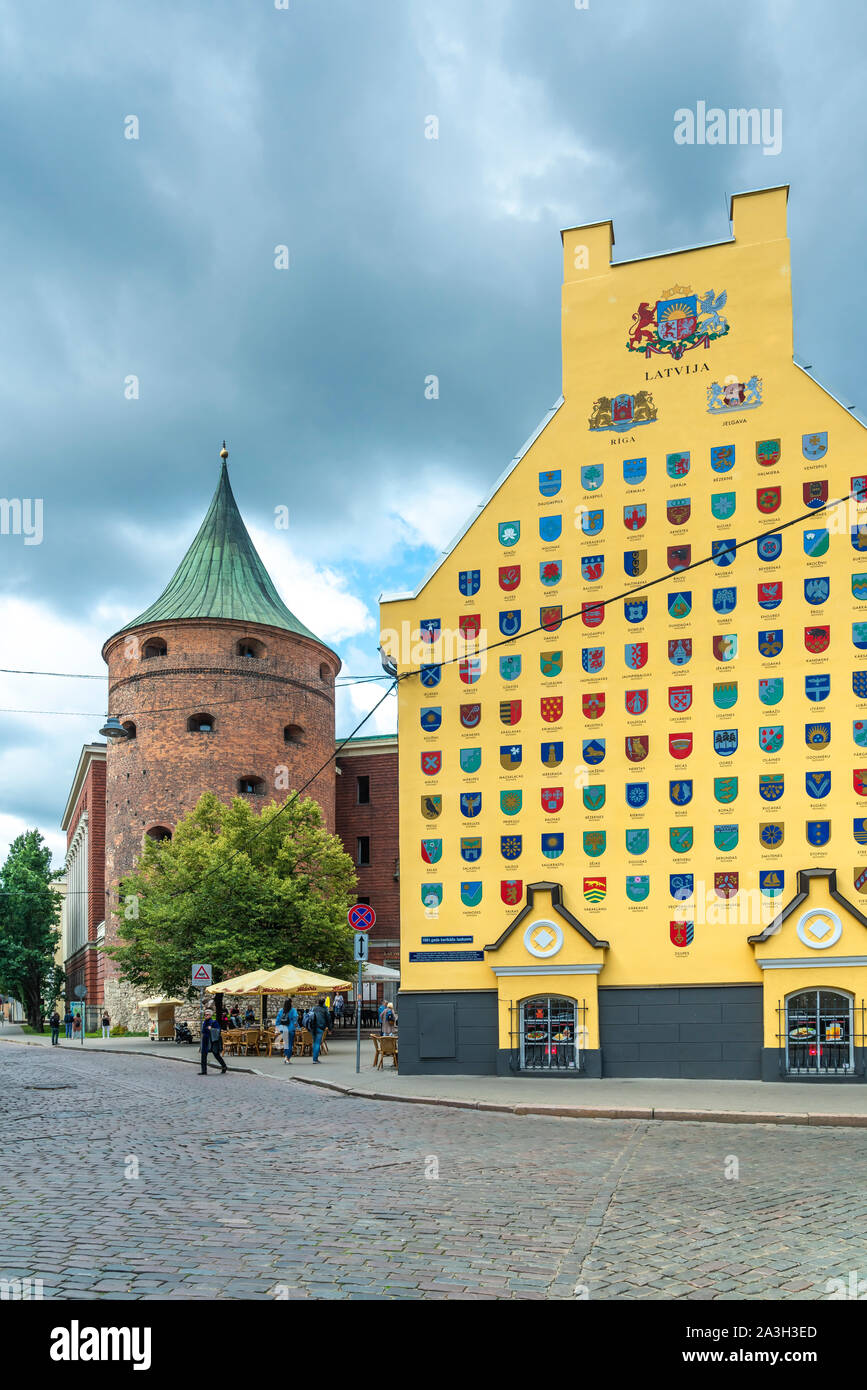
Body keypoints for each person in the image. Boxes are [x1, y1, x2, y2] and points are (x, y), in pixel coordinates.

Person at [199, 1009, 227, 1075]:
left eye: (207, 1014)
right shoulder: (204, 1022)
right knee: (203, 1055)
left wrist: (211, 1029)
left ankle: (224, 1066)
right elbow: (203, 1031)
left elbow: (218, 1031)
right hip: (205, 1040)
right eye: (205, 1014)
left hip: (212, 1041)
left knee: (216, 1054)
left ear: (211, 1015)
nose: (206, 1015)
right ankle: (204, 1071)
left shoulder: (214, 1022)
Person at [276, 998, 298, 1064]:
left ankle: (286, 1057)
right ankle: (287, 1058)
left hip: (284, 1029)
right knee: (290, 1044)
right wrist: (297, 1027)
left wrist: (278, 1028)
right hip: (291, 1029)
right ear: (291, 1003)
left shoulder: (281, 1010)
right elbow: (295, 1019)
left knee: (286, 1044)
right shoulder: (293, 1010)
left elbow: (278, 1020)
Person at [308, 996, 329, 1064]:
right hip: (320, 1027)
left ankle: (314, 1057)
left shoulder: (313, 1008)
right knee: (317, 1043)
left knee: (314, 1042)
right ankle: (315, 1059)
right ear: (323, 1003)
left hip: (313, 1027)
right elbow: (328, 1019)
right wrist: (330, 1028)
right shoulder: (325, 1010)